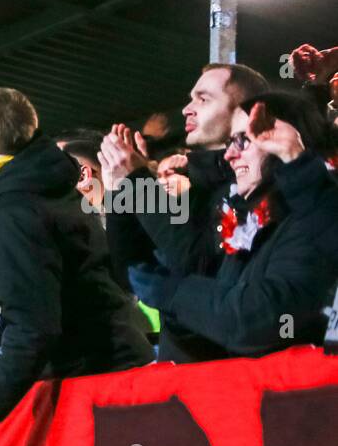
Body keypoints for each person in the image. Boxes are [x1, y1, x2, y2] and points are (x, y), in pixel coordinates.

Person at [0, 87, 151, 446]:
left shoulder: (10, 213)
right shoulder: (53, 192)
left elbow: (33, 326)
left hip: (96, 384)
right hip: (114, 369)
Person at [126, 92, 338, 357]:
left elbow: (266, 318)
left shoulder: (309, 217)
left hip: (302, 393)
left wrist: (134, 182)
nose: (187, 109)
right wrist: (180, 318)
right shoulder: (244, 213)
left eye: (203, 98)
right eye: (228, 143)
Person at [100, 62, 269, 362]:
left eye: (203, 99)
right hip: (182, 373)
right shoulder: (189, 180)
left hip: (237, 376)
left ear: (247, 111)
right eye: (191, 98)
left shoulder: (258, 184)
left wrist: (139, 185)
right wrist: (120, 190)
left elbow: (198, 263)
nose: (187, 109)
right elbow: (129, 270)